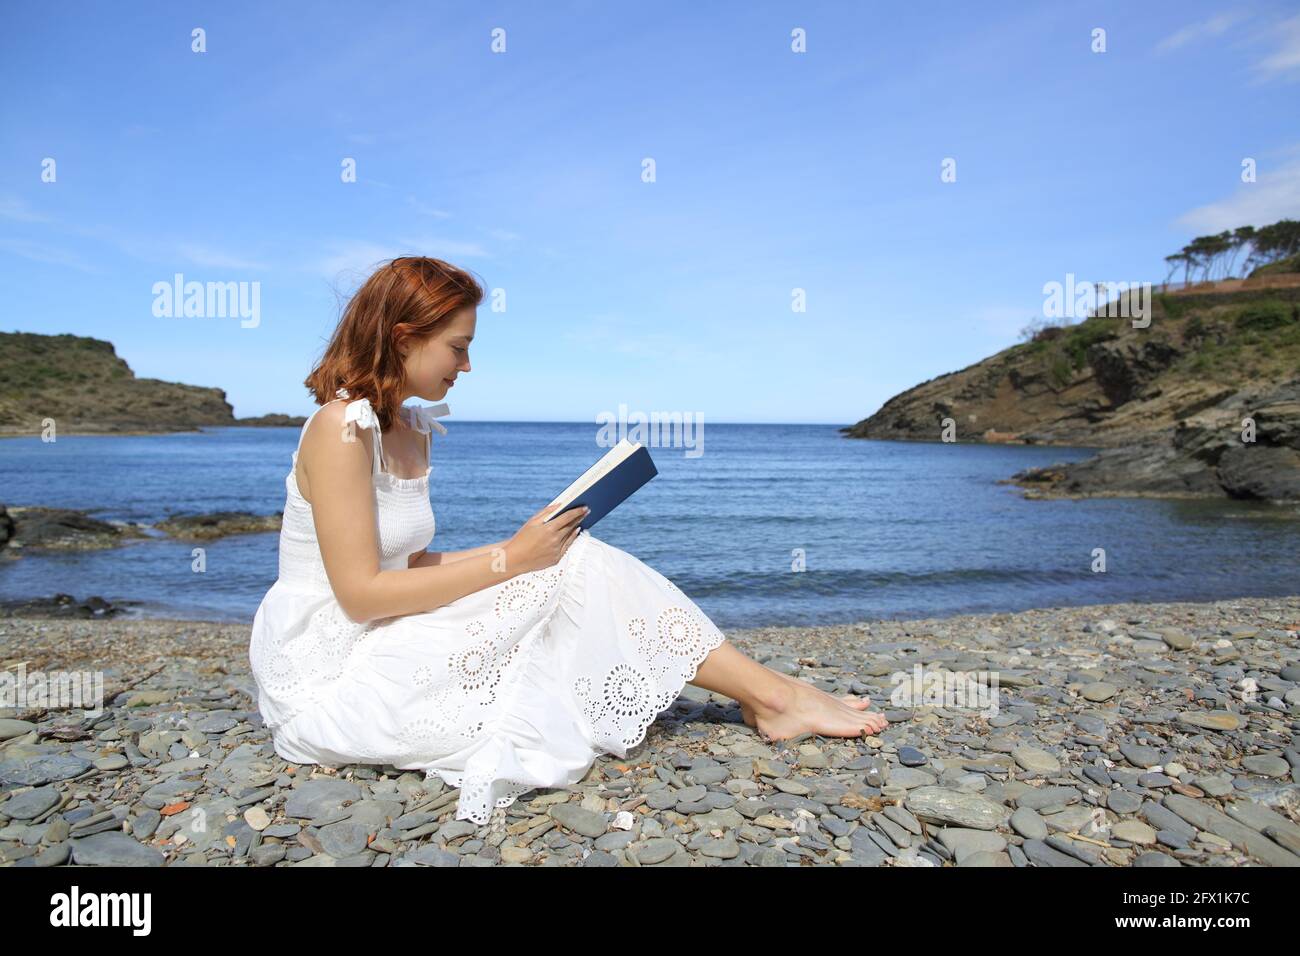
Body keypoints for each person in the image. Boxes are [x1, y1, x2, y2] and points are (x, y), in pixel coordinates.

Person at [248, 256, 888, 825]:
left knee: (571, 555)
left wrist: (522, 548)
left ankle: (772, 691)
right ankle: (775, 697)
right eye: (458, 346)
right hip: (328, 666)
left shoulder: (407, 429)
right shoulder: (340, 429)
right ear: (403, 338)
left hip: (380, 628)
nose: (468, 365)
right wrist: (515, 562)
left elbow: (409, 565)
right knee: (570, 571)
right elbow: (362, 595)